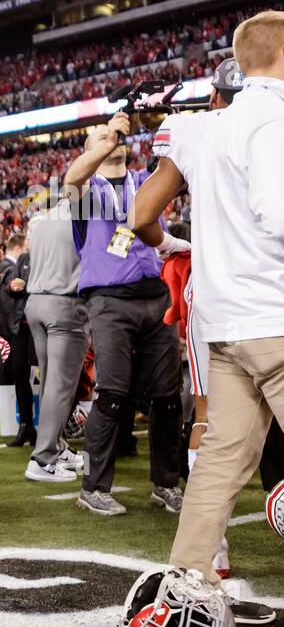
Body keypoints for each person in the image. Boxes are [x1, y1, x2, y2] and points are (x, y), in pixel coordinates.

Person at [131, 17, 284, 624]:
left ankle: (183, 596)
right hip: (276, 319)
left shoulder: (203, 127)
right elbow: (278, 215)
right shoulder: (272, 120)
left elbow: (145, 213)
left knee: (218, 466)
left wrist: (172, 245)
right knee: (221, 462)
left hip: (224, 324)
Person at [64, 111, 184, 517]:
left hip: (155, 295)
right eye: (101, 137)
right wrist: (107, 137)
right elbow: (71, 179)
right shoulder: (86, 190)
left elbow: (177, 163)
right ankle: (94, 487)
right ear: (91, 150)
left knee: (168, 398)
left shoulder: (143, 182)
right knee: (113, 394)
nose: (114, 141)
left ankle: (166, 483)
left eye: (117, 136)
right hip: (109, 301)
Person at [23, 200, 89, 482]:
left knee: (51, 384)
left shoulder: (44, 221)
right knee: (60, 387)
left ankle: (56, 447)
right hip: (65, 304)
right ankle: (44, 458)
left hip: (36, 302)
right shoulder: (84, 218)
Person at [0, 232, 35, 447]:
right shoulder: (24, 259)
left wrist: (27, 285)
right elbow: (10, 289)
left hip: (46, 323)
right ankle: (26, 425)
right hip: (23, 325)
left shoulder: (58, 253)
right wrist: (13, 286)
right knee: (20, 374)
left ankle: (55, 428)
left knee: (49, 377)